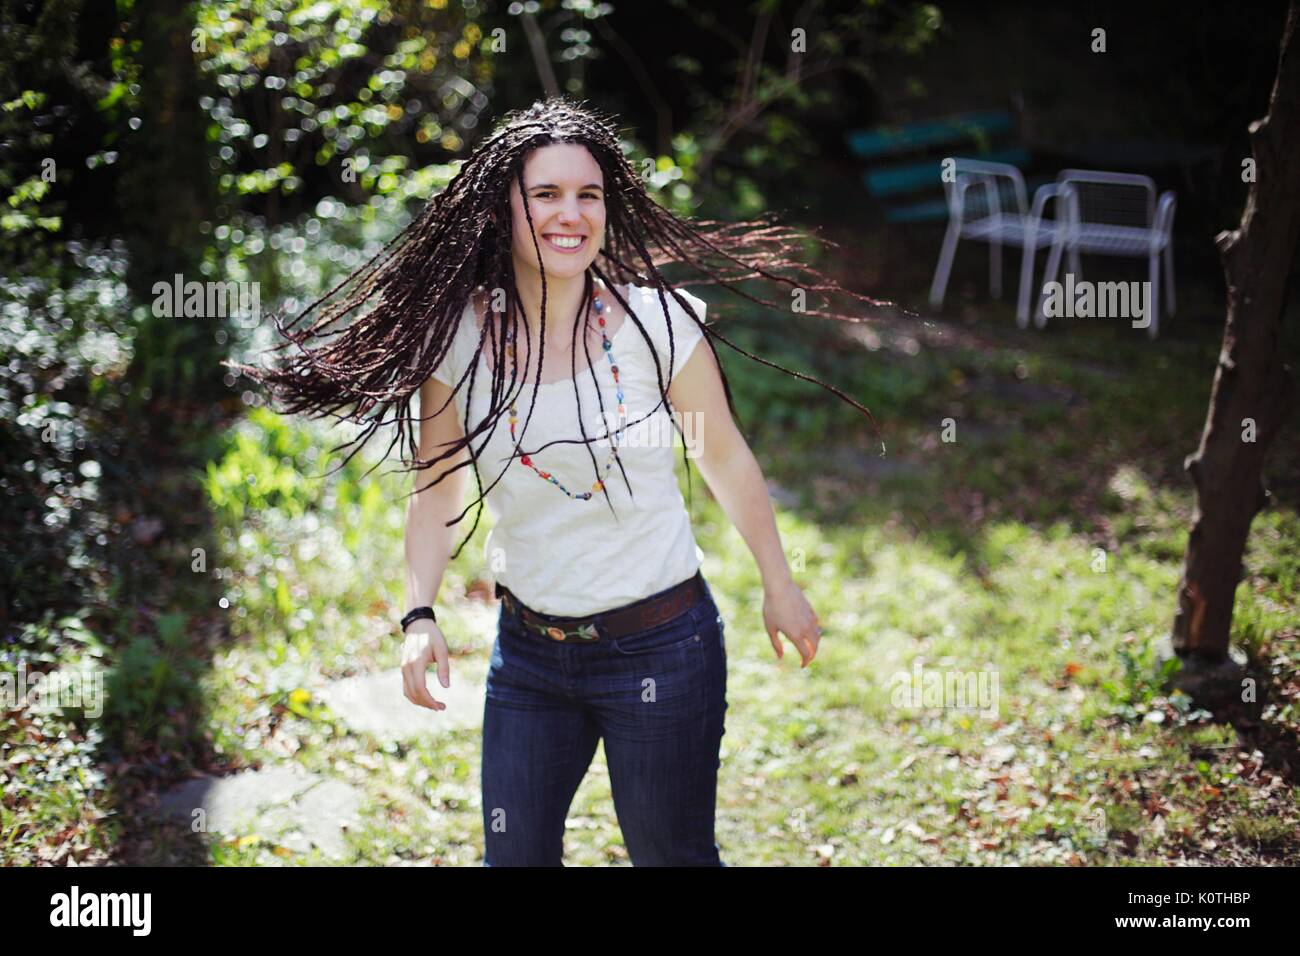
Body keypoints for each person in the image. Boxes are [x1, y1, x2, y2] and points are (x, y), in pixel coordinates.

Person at [232, 97, 885, 866]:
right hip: (532, 658)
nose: (569, 214)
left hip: (662, 650)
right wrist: (417, 615)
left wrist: (780, 582)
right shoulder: (462, 340)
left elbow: (725, 457)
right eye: (545, 194)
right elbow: (437, 488)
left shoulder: (658, 324)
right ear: (502, 207)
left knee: (670, 854)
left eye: (588, 194)